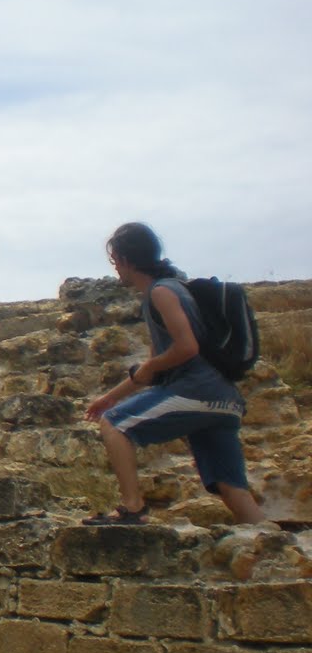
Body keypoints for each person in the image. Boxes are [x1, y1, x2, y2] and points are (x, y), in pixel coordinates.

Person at [83, 222, 265, 525]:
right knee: (232, 488)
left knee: (115, 426)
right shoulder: (176, 288)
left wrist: (123, 395)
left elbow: (186, 348)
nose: (116, 269)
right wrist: (109, 397)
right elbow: (154, 368)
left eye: (115, 261)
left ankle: (132, 507)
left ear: (127, 260)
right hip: (224, 401)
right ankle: (277, 548)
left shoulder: (161, 293)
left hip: (196, 391)